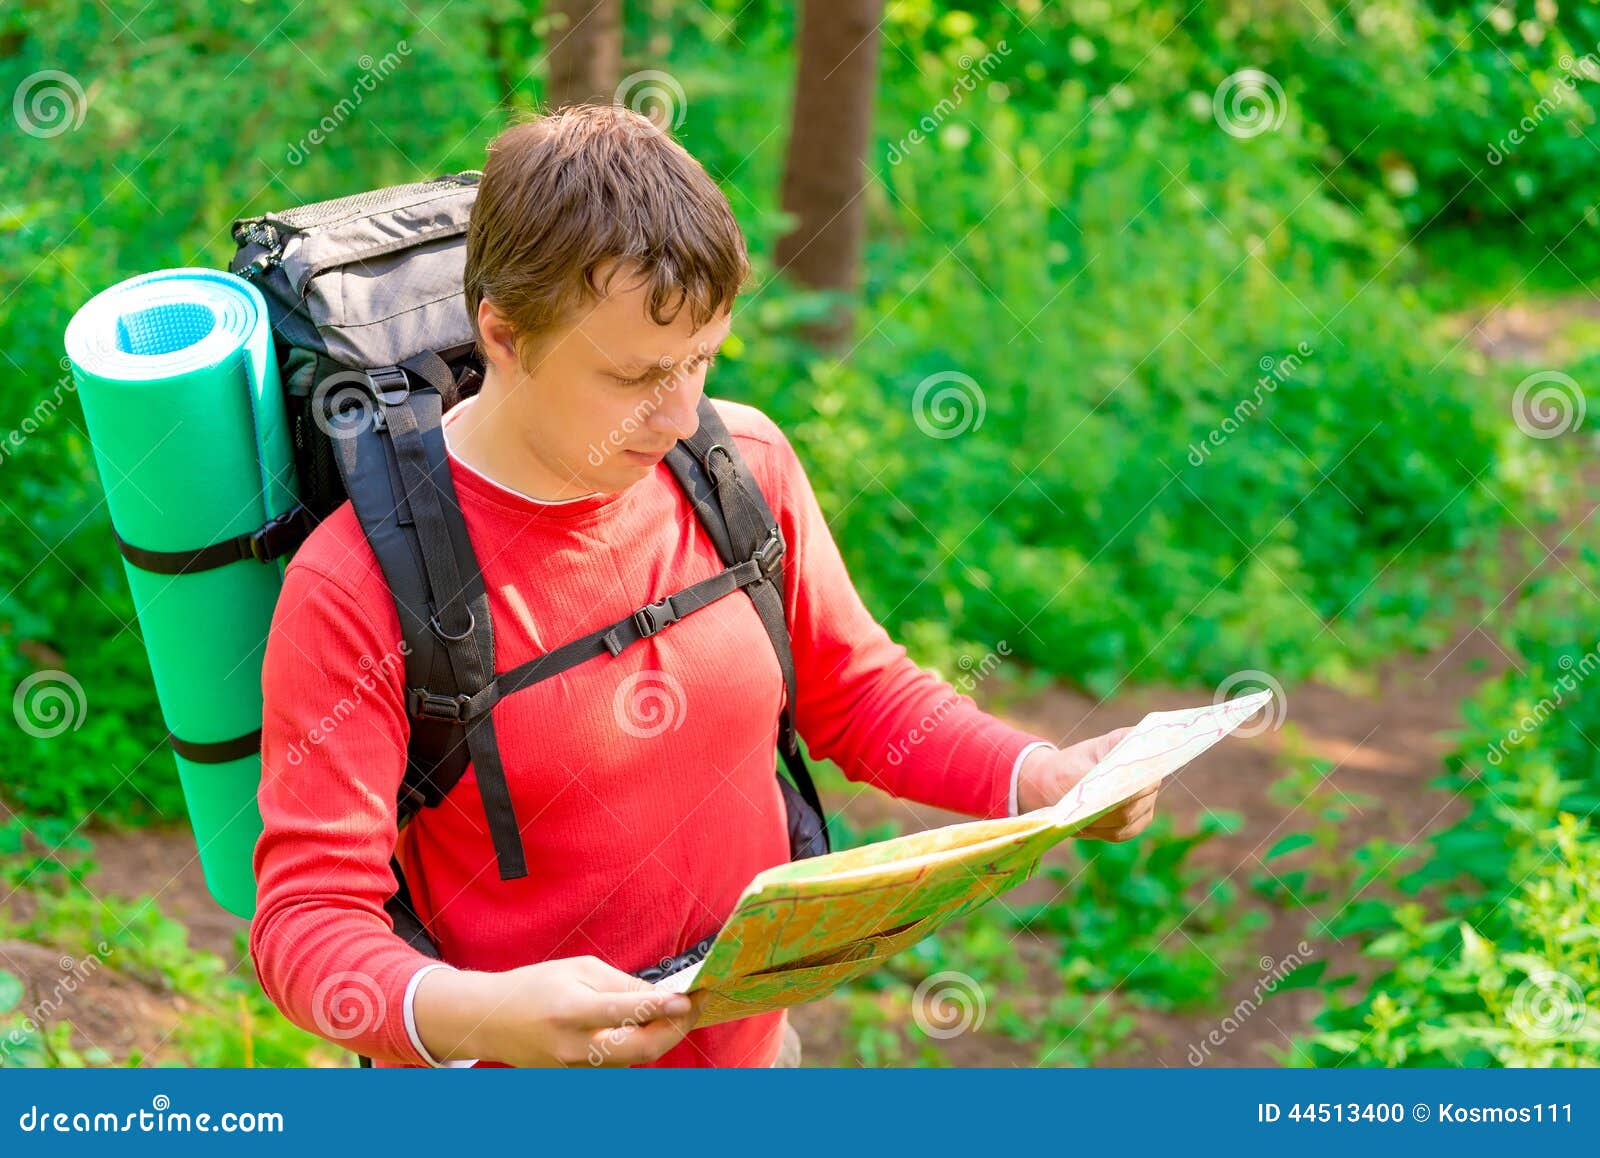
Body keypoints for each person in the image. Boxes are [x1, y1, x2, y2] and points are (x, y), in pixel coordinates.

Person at [248, 105, 1155, 1069]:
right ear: (504, 334)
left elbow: (858, 694)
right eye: (635, 376)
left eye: (702, 359)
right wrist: (484, 1014)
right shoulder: (358, 584)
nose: (681, 413)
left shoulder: (739, 467)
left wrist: (1038, 777)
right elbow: (308, 921)